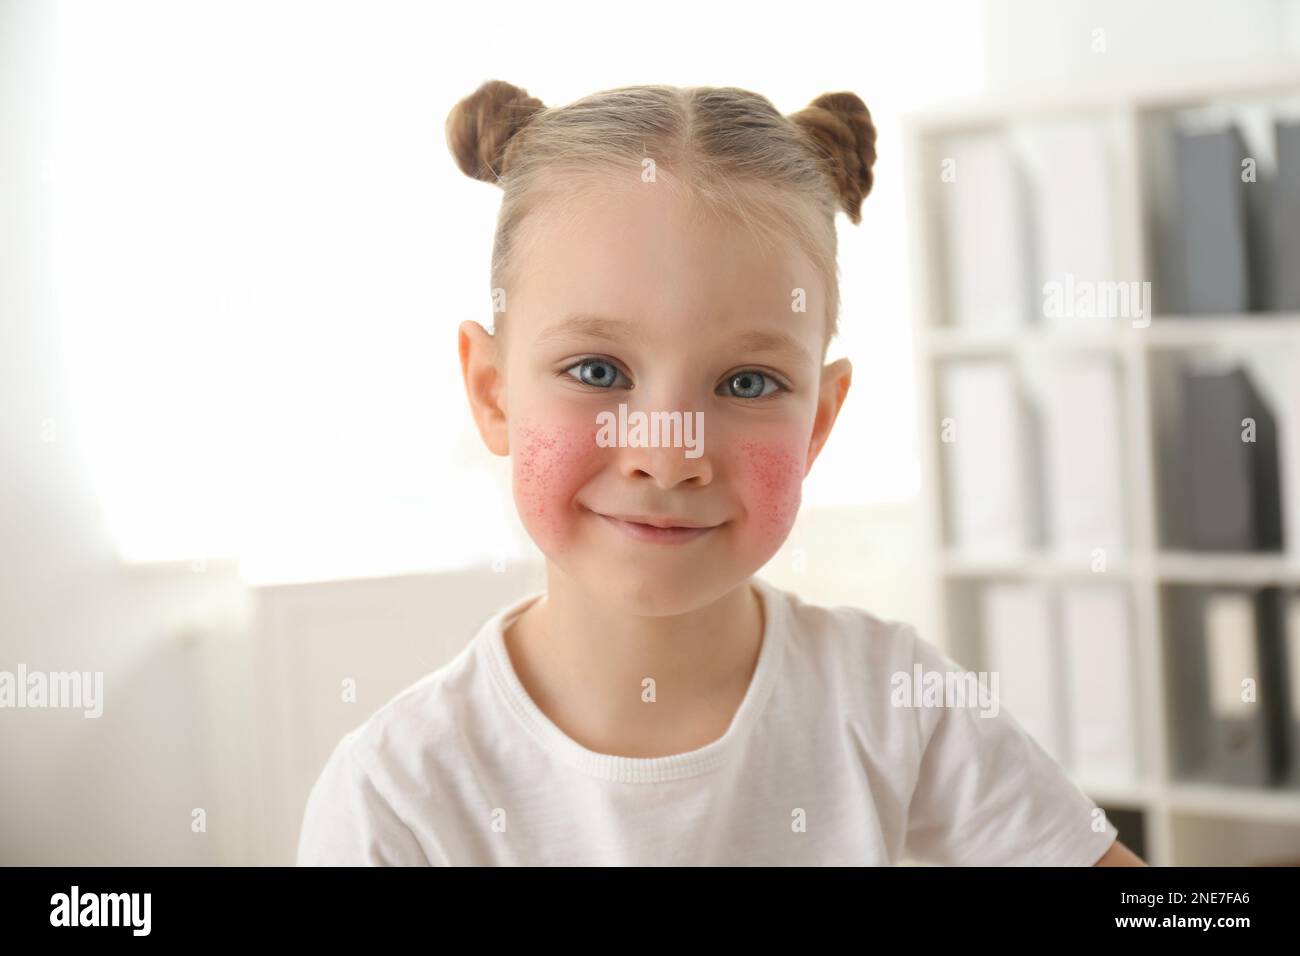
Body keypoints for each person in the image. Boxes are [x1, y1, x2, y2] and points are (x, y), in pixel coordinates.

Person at [296, 79, 1145, 866]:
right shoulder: (395, 796)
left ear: (818, 422)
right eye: (598, 372)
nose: (669, 453)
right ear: (492, 392)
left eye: (747, 383)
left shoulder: (897, 705)